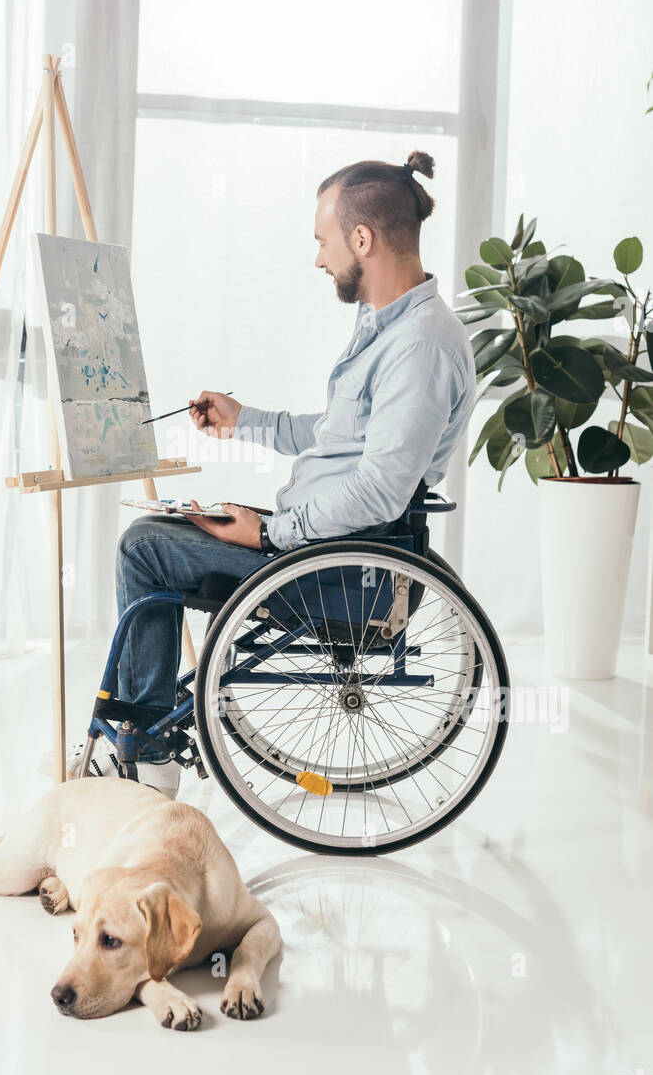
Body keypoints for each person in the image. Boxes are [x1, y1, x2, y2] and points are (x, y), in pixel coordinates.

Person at [70, 151, 476, 797]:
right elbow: (342, 439)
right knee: (165, 527)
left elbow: (381, 487)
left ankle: (144, 754)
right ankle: (141, 741)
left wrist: (268, 535)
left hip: (342, 571)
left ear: (361, 239)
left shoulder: (419, 345)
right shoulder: (388, 327)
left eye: (322, 241)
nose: (319, 258)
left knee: (144, 546)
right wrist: (246, 420)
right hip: (323, 549)